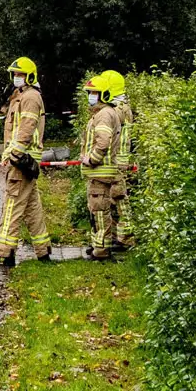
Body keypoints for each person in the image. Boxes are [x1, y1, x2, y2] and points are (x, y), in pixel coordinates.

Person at [0, 56, 51, 266]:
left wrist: (12, 152)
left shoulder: (30, 97)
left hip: (21, 160)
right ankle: (43, 251)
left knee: (12, 205)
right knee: (32, 207)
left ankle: (4, 251)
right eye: (14, 74)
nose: (16, 78)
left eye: (20, 74)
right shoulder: (22, 96)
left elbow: (26, 128)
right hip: (24, 158)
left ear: (30, 76)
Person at [81, 71, 124, 260]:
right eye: (89, 93)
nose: (91, 97)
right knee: (98, 210)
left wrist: (91, 159)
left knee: (99, 211)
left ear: (103, 95)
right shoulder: (103, 113)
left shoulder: (104, 114)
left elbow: (103, 141)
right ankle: (98, 246)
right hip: (99, 171)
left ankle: (101, 250)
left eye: (94, 93)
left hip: (100, 170)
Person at [113, 85, 136, 250]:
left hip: (117, 162)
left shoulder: (118, 110)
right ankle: (121, 237)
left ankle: (125, 239)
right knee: (118, 199)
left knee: (120, 199)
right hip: (122, 159)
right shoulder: (125, 108)